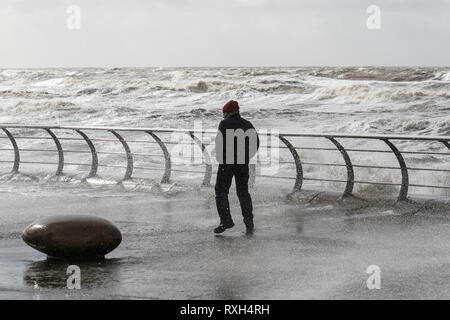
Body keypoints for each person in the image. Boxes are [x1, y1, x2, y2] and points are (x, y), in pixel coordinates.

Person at [214, 100, 259, 235]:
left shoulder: (224, 123)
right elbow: (256, 142)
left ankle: (226, 221)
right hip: (242, 163)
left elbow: (219, 143)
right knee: (243, 193)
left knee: (221, 192)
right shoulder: (247, 124)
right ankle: (249, 222)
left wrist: (220, 158)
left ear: (227, 112)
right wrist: (247, 157)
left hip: (226, 164)